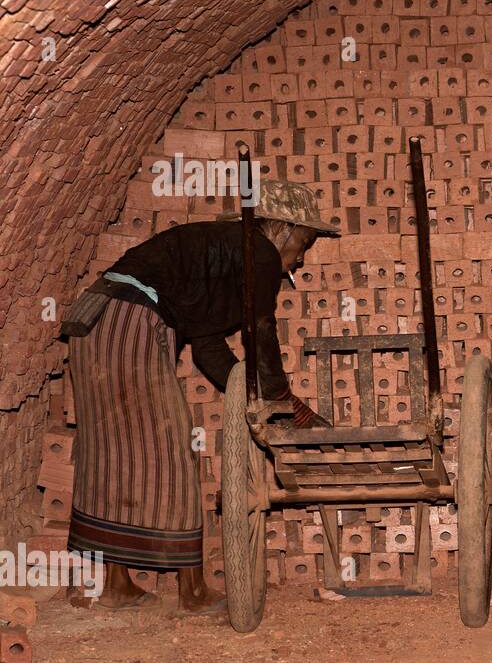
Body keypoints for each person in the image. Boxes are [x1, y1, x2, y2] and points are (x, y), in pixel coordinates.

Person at [59, 179, 337, 615]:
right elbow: (260, 330)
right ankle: (192, 591)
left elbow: (208, 348)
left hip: (94, 322)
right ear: (282, 228)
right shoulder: (260, 252)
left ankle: (116, 584)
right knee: (173, 448)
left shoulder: (222, 256)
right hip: (132, 320)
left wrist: (256, 402)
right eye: (304, 241)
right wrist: (285, 402)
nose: (301, 256)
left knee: (115, 453)